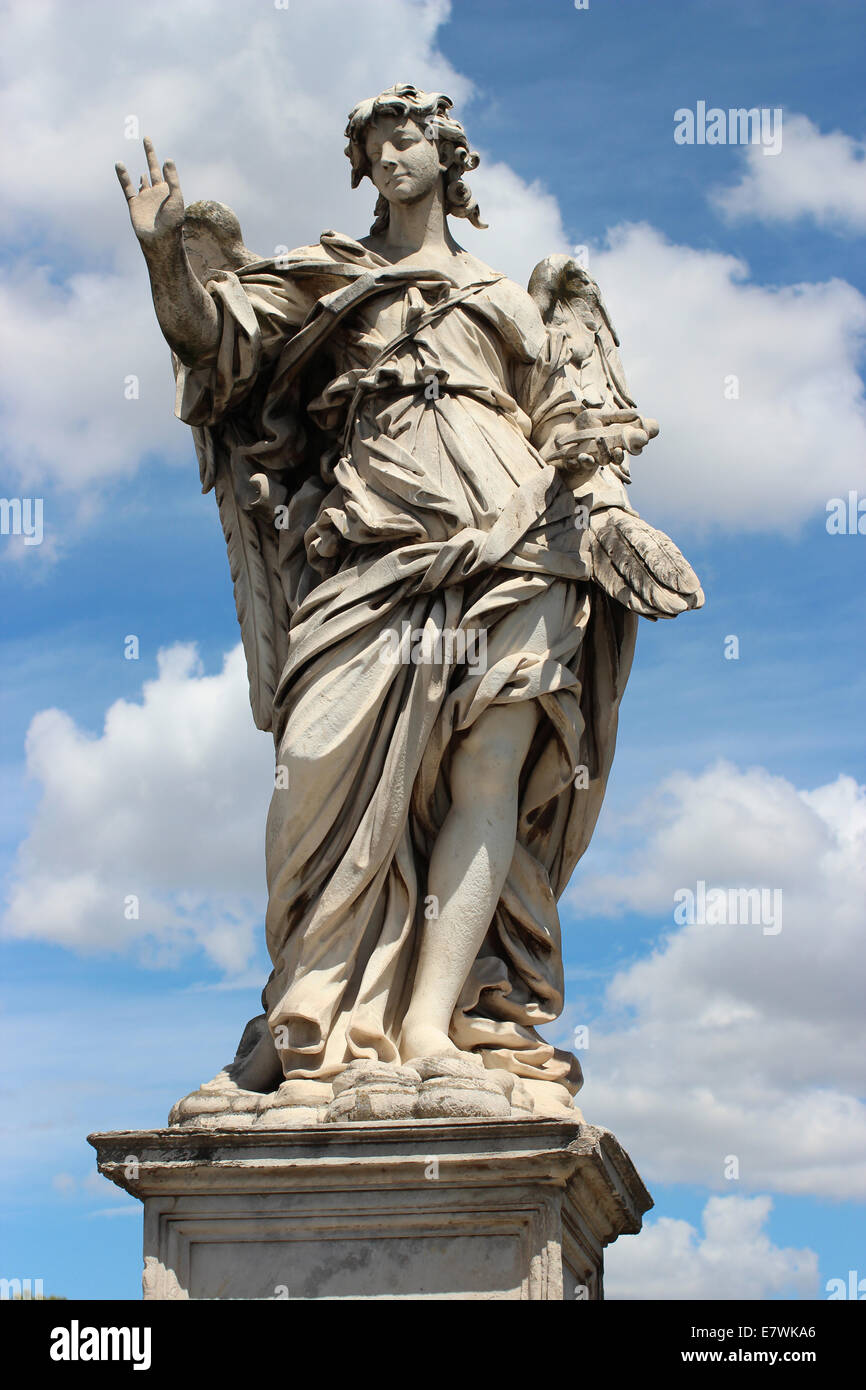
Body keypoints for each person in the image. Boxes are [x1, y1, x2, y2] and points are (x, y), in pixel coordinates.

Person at [116, 85, 702, 1118]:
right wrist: (166, 254)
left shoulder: (513, 297)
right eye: (371, 143)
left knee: (485, 773)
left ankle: (430, 1024)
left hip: (516, 543)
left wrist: (612, 526)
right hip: (369, 549)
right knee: (315, 770)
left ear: (448, 153)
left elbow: (581, 429)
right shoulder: (330, 276)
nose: (388, 154)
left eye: (405, 136)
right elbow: (217, 351)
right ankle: (312, 1015)